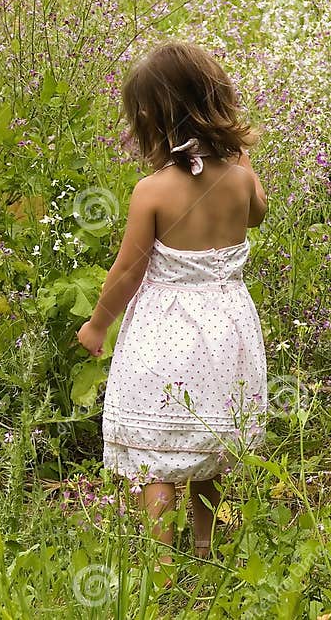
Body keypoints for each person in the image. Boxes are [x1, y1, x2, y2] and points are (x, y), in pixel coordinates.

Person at [76, 40, 269, 588]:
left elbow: (128, 271)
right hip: (228, 328)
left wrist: (98, 323)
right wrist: (243, 159)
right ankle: (204, 547)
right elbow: (256, 216)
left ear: (151, 122)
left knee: (160, 453)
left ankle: (162, 563)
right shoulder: (238, 178)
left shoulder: (153, 191)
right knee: (209, 442)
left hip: (167, 332)